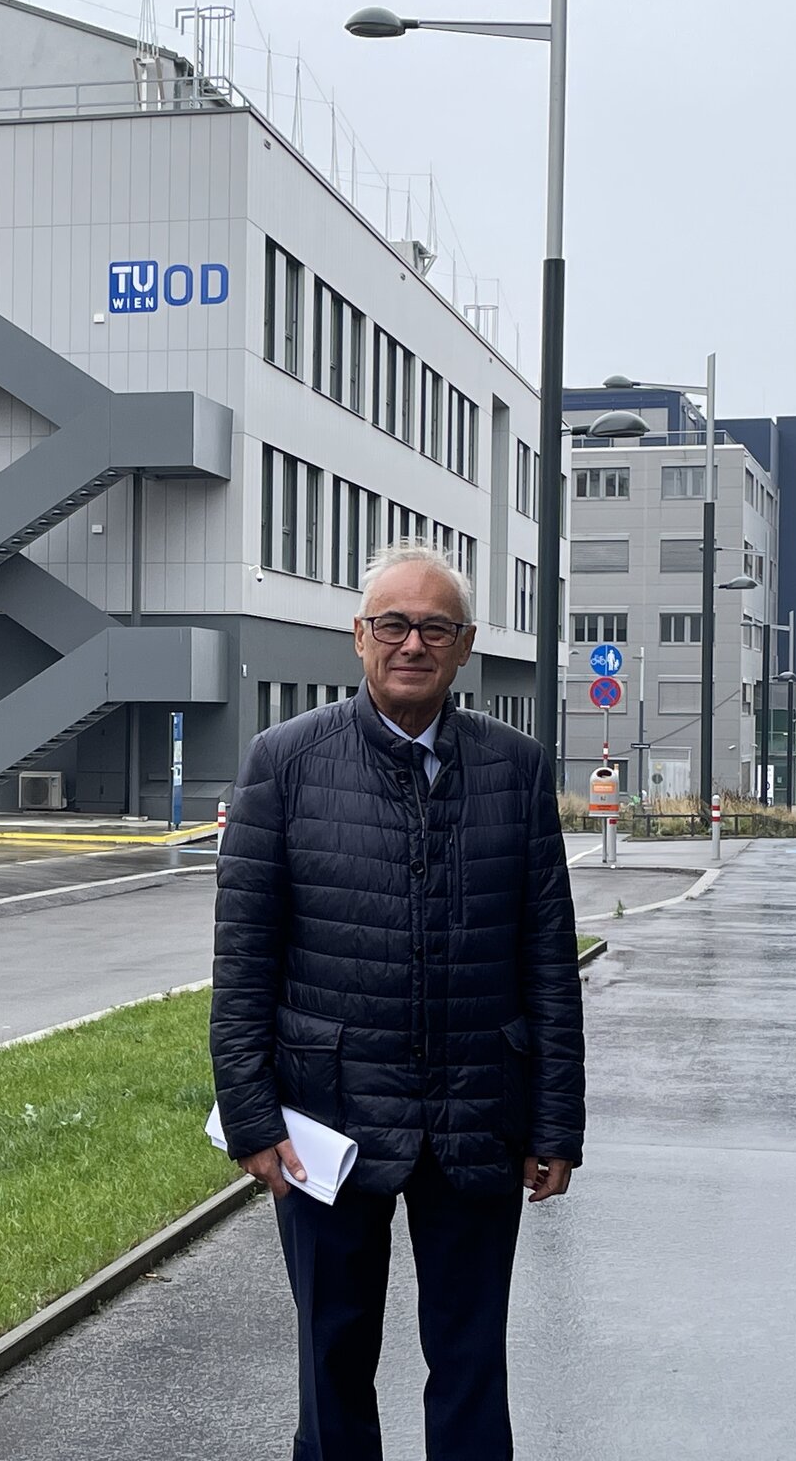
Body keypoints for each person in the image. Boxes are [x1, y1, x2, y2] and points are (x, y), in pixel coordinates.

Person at [211, 541, 585, 1460]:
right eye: (393, 623)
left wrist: (556, 1123)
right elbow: (244, 956)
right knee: (332, 1360)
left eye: (434, 627)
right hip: (329, 1123)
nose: (411, 642)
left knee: (469, 1364)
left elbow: (547, 955)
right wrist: (252, 1115)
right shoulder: (284, 765)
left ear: (463, 648)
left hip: (476, 1119)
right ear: (359, 638)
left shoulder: (517, 770)